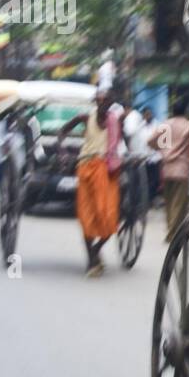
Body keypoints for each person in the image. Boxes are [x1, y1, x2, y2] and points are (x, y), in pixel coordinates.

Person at [57, 89, 122, 277]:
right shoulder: (85, 118)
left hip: (108, 172)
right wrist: (62, 153)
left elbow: (121, 145)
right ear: (95, 102)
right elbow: (63, 131)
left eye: (105, 100)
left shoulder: (115, 122)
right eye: (99, 100)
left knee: (108, 216)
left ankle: (95, 252)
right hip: (86, 168)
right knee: (86, 216)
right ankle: (90, 260)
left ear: (111, 102)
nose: (102, 103)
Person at [148, 98, 189, 243]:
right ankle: (172, 233)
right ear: (185, 110)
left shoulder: (166, 125)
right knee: (179, 204)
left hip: (166, 169)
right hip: (182, 170)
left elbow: (150, 140)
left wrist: (161, 148)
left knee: (169, 203)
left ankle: (171, 229)